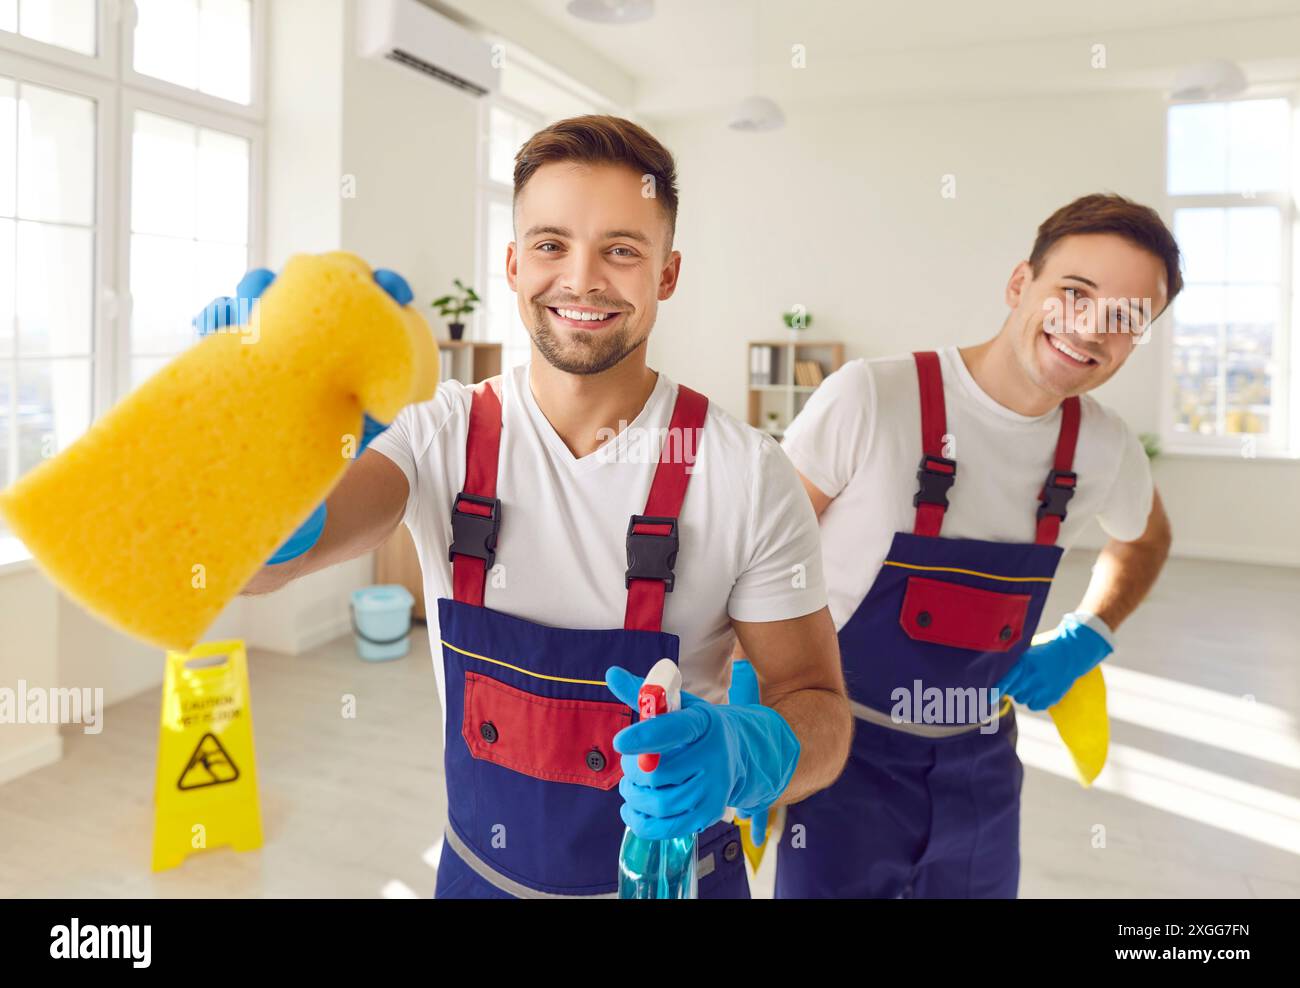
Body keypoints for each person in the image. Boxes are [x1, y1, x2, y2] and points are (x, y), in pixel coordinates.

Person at [236, 115, 850, 899]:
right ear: (514, 261)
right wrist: (271, 455)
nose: (583, 279)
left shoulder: (746, 473)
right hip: (478, 878)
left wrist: (746, 752)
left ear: (667, 272)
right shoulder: (437, 437)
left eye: (621, 249)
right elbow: (256, 567)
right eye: (552, 244)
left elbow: (822, 713)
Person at [773, 194, 1178, 898]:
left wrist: (1090, 633)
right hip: (840, 755)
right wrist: (754, 699)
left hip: (982, 768)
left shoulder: (1103, 446)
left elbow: (1146, 539)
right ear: (1020, 283)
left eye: (1123, 319)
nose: (1088, 329)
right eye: (1073, 292)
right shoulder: (873, 398)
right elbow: (762, 550)